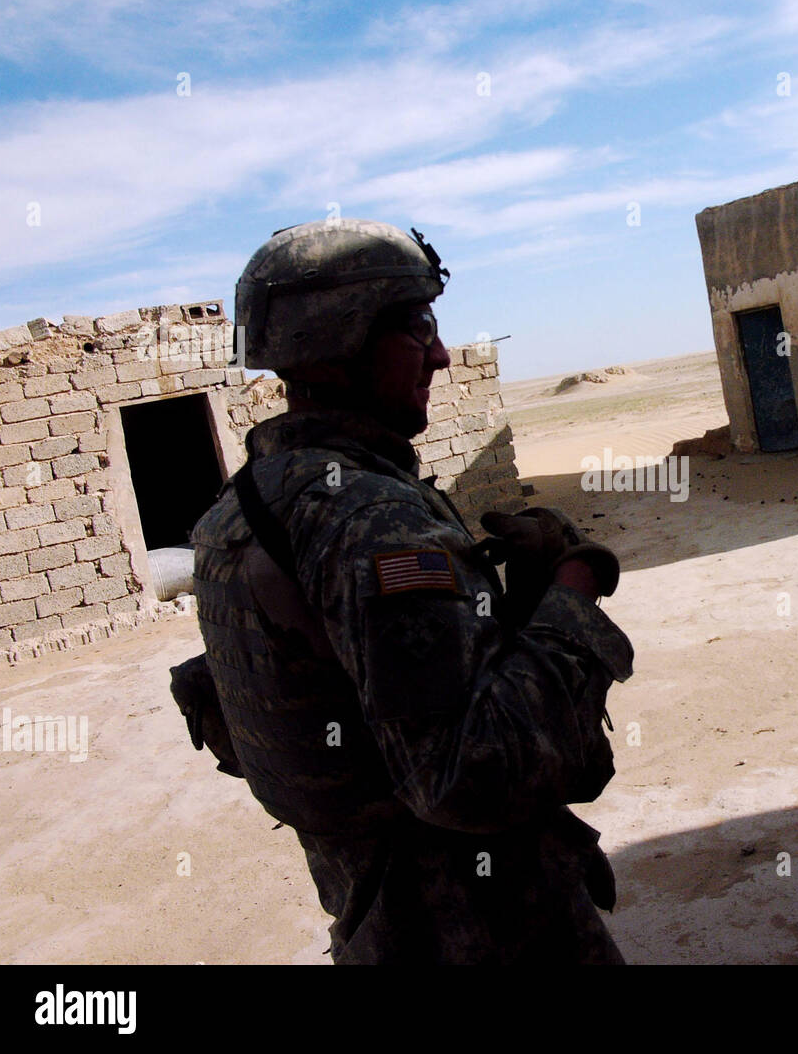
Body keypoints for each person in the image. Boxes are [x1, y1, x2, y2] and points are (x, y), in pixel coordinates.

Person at [186, 219, 633, 963]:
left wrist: (508, 600)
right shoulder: (368, 517)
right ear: (341, 341)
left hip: (374, 915)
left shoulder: (243, 506)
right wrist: (572, 588)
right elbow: (468, 778)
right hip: (481, 924)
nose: (440, 354)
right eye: (418, 326)